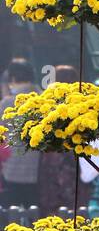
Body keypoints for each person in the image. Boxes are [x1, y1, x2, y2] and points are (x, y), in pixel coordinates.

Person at [38, 66, 80, 217]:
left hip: (51, 160)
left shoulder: (47, 104)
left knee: (51, 205)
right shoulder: (81, 105)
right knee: (73, 206)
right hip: (71, 160)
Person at [0, 59, 39, 209]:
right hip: (38, 171)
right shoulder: (43, 99)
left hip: (12, 169)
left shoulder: (7, 103)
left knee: (12, 215)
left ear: (12, 79)